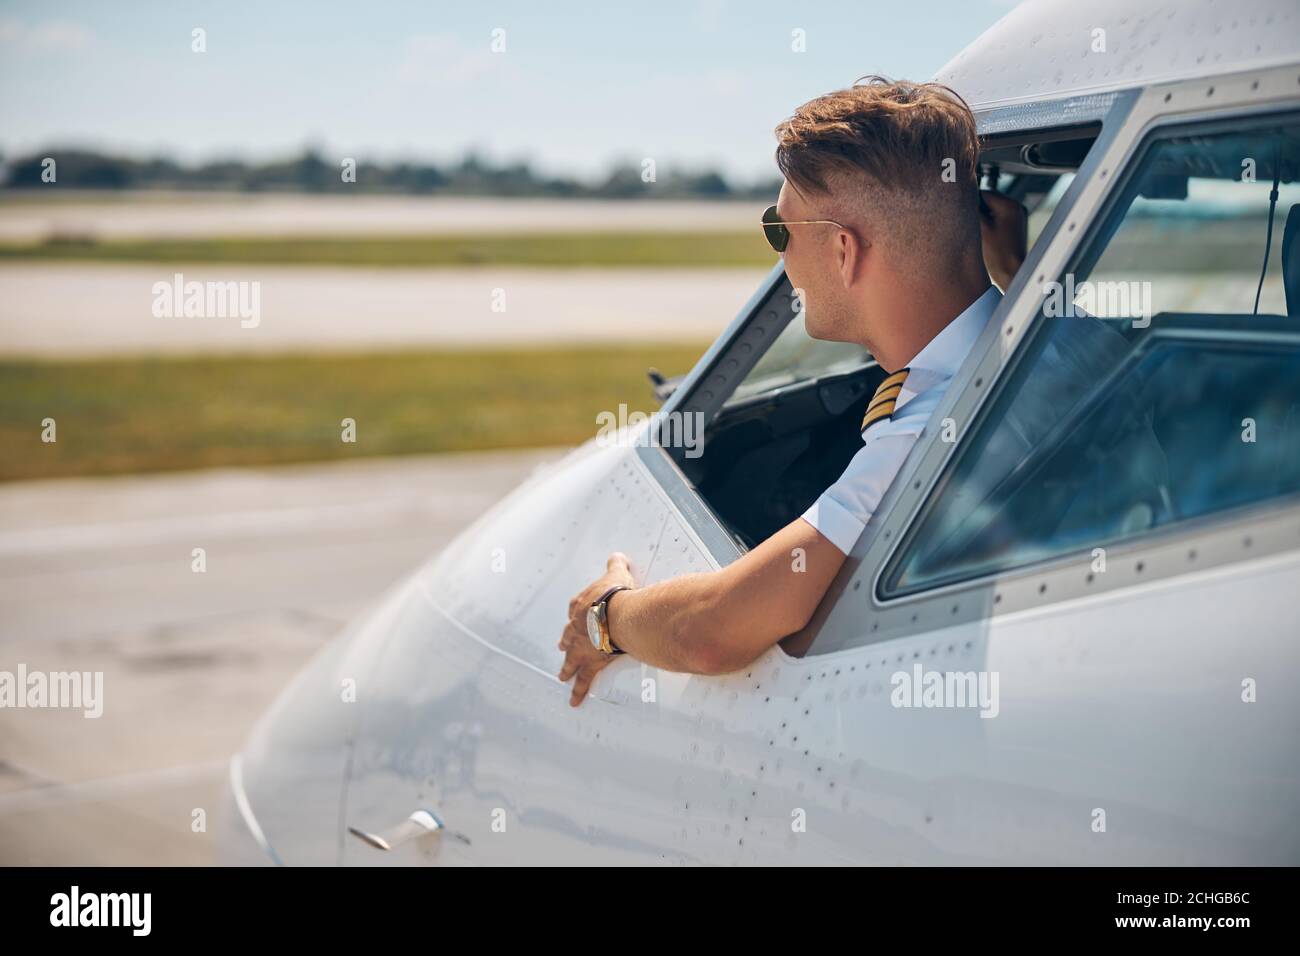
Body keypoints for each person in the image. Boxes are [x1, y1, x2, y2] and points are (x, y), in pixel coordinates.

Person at [557, 77, 1031, 706]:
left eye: (780, 231)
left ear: (843, 251)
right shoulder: (1055, 342)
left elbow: (712, 630)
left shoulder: (927, 426)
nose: (781, 257)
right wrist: (1019, 273)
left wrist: (606, 616)